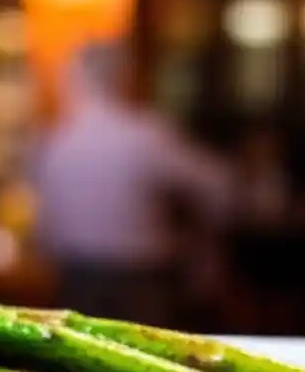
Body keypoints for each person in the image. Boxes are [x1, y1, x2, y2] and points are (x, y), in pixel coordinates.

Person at [34, 42, 233, 326]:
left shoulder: (54, 142)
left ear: (72, 81)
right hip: (137, 281)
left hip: (78, 278)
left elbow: (41, 228)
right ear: (126, 77)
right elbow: (219, 186)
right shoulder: (147, 136)